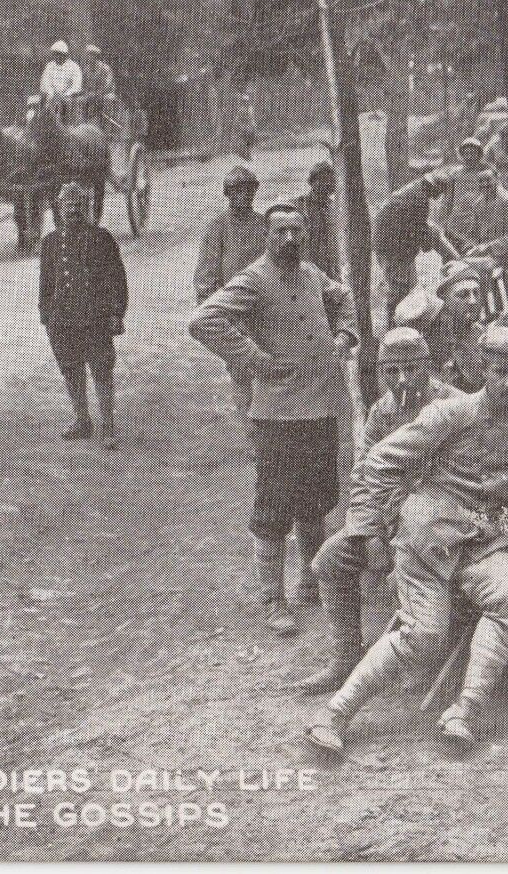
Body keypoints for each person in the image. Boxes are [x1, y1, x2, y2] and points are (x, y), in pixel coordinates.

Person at [304, 325, 508, 754]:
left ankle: (465, 711)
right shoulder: (450, 414)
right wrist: (367, 531)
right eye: (500, 371)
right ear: (483, 369)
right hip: (431, 532)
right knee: (424, 635)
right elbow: (378, 462)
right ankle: (334, 714)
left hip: (490, 536)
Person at [190, 205, 359, 636]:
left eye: (296, 231)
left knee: (316, 501)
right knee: (274, 508)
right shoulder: (254, 279)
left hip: (319, 407)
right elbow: (204, 320)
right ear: (267, 235)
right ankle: (272, 598)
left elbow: (342, 296)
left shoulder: (311, 274)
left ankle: (311, 581)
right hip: (277, 415)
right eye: (281, 231)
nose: (290, 239)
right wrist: (255, 359)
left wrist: (344, 333)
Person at [293, 327, 465, 695]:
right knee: (330, 560)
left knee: (413, 577)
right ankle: (346, 657)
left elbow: (472, 479)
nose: (402, 380)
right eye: (391, 371)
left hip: (443, 528)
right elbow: (363, 476)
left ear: (428, 366)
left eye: (411, 369)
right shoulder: (383, 412)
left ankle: (427, 658)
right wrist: (367, 531)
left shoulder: (457, 406)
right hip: (392, 522)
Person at [39, 182, 128, 450]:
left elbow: (117, 279)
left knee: (101, 370)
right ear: (59, 209)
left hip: (94, 319)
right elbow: (46, 283)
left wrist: (116, 312)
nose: (73, 211)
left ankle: (108, 424)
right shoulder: (50, 242)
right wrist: (46, 314)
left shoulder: (102, 238)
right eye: (68, 206)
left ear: (87, 208)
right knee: (71, 369)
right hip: (62, 320)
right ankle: (82, 420)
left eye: (79, 206)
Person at [194, 165, 268, 421]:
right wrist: (218, 318)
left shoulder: (265, 225)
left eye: (248, 189)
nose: (243, 195)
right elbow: (206, 278)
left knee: (272, 372)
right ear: (227, 193)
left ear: (255, 191)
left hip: (266, 312)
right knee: (241, 374)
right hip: (234, 317)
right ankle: (250, 431)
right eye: (237, 190)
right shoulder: (217, 228)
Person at [372, 169, 457, 325]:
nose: (439, 196)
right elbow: (420, 233)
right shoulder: (419, 199)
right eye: (440, 191)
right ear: (434, 187)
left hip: (393, 243)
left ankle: (404, 322)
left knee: (407, 287)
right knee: (399, 289)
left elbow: (419, 227)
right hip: (392, 247)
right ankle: (394, 326)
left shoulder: (416, 189)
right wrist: (430, 244)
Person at [418, 260, 488, 392]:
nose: (473, 301)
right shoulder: (436, 342)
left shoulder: (480, 332)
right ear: (444, 301)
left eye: (476, 292)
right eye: (463, 295)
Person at [458, 168, 508, 265]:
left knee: (464, 267)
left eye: (488, 180)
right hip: (485, 254)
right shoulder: (478, 203)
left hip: (507, 254)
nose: (484, 184)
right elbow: (474, 232)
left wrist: (488, 247)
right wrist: (468, 244)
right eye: (481, 181)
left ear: (497, 179)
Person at [295, 159, 339, 279]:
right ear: (312, 182)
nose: (326, 184)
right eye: (322, 179)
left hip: (331, 271)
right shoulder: (300, 205)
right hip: (307, 271)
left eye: (330, 180)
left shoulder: (334, 207)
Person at [81, 44, 116, 123]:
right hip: (92, 94)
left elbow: (108, 84)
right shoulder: (86, 69)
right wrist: (87, 92)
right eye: (88, 55)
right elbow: (83, 84)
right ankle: (85, 122)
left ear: (96, 56)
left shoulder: (105, 68)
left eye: (91, 55)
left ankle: (107, 123)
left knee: (108, 99)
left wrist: (98, 93)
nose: (89, 58)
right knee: (81, 100)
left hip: (105, 93)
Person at [237, 90, 258, 161]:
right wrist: (241, 126)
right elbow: (239, 119)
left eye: (247, 101)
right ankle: (247, 154)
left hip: (250, 126)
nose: (246, 102)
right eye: (244, 101)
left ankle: (249, 153)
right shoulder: (241, 109)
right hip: (244, 126)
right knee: (246, 140)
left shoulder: (250, 108)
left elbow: (252, 118)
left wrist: (254, 125)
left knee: (251, 140)